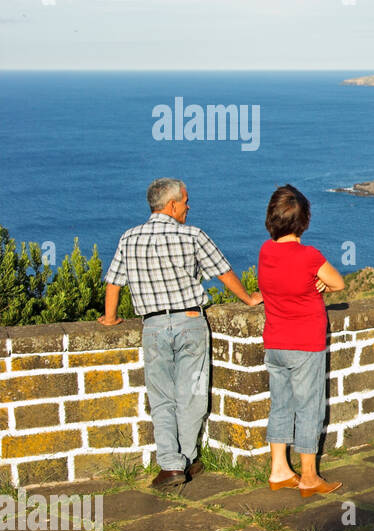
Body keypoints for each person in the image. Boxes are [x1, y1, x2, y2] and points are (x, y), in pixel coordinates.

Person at [99, 178, 262, 488]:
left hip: (155, 326)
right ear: (171, 205)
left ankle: (172, 465)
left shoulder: (129, 237)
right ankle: (186, 459)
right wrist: (249, 299)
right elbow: (223, 272)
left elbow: (114, 283)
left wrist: (109, 318)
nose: (189, 206)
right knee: (193, 395)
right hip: (190, 323)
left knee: (162, 399)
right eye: (186, 201)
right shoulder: (193, 235)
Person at [257, 184, 344, 497]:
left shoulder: (266, 251)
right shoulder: (309, 256)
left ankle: (279, 469)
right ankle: (309, 476)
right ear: (304, 220)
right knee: (309, 408)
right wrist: (318, 283)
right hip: (305, 343)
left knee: (280, 405)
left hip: (275, 342)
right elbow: (338, 283)